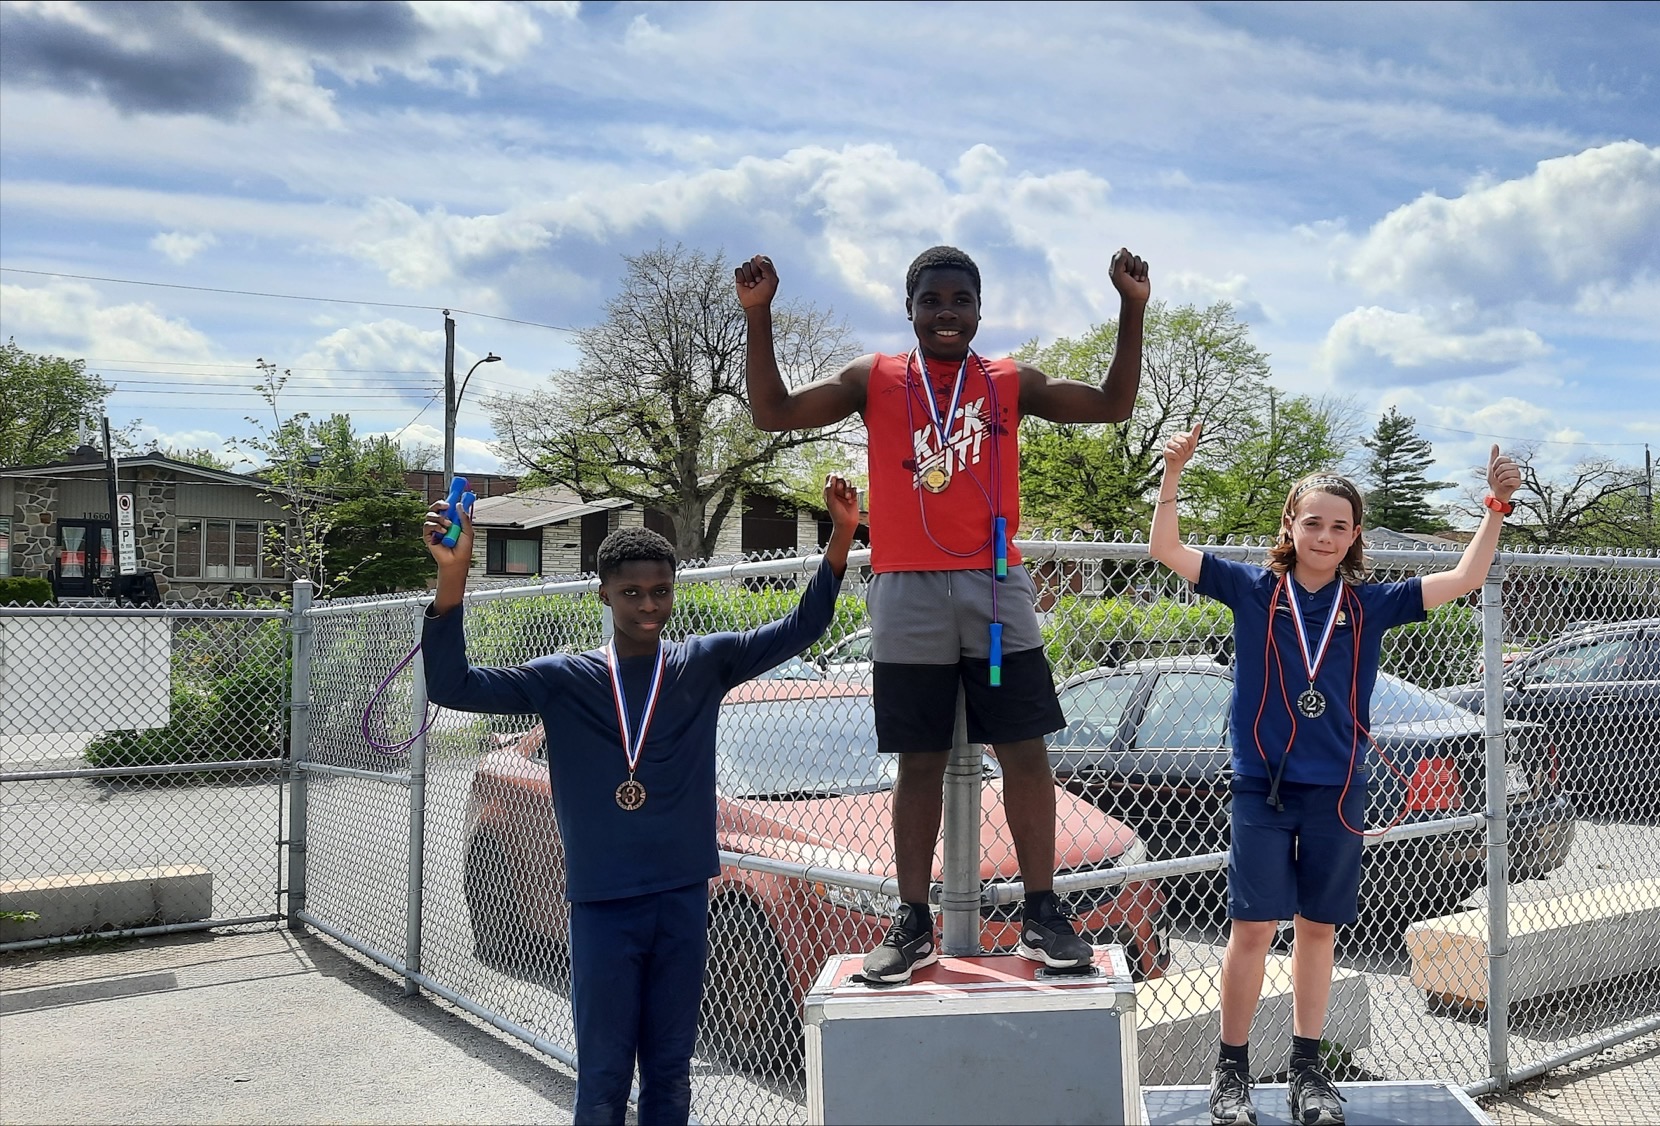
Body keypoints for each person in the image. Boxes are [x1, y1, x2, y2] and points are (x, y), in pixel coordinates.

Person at [735, 244, 1151, 982]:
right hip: (908, 591)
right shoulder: (875, 378)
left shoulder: (1008, 381)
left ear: (980, 310)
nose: (946, 313)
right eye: (931, 300)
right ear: (910, 309)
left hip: (994, 591)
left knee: (1023, 749)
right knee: (919, 759)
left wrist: (1131, 306)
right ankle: (912, 921)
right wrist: (757, 315)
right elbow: (773, 413)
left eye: (961, 300)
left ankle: (1041, 913)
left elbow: (1113, 404)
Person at [419, 476, 861, 1125]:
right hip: (604, 904)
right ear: (603, 594)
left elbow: (804, 625)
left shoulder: (702, 664)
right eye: (631, 593)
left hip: (683, 897)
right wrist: (453, 576)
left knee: (670, 1073)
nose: (648, 605)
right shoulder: (565, 679)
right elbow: (453, 685)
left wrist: (842, 536)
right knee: (602, 1078)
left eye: (660, 591)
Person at [1148, 425, 1523, 1126]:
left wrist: (1495, 509)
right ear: (1290, 524)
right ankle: (1230, 1073)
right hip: (1261, 788)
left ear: (1355, 537)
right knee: (1252, 930)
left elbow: (1466, 577)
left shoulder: (1368, 604)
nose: (1325, 536)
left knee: (1318, 930)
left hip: (1340, 790)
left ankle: (1307, 1069)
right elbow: (1165, 549)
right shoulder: (1253, 589)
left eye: (1340, 526)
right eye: (1313, 522)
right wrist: (1173, 474)